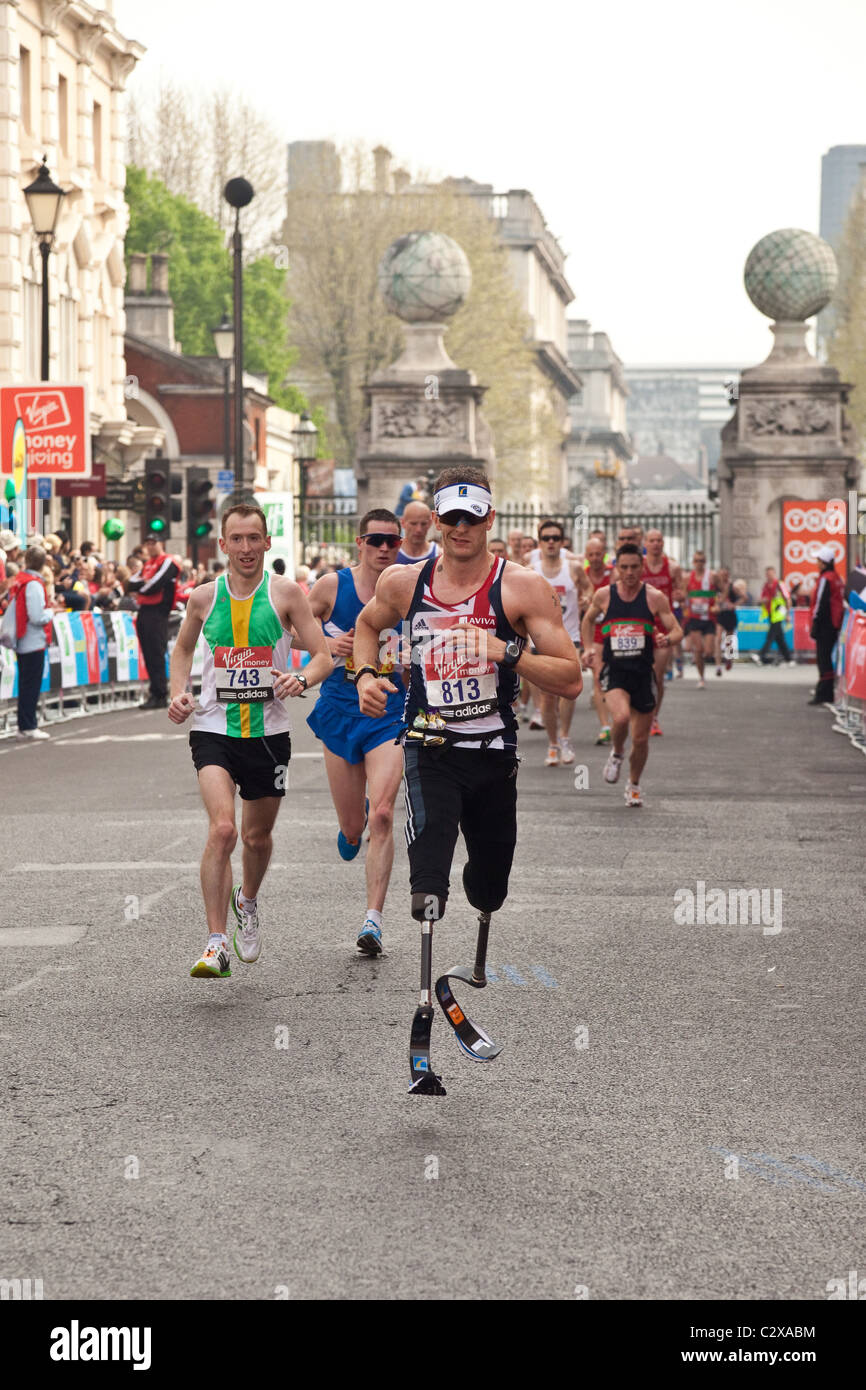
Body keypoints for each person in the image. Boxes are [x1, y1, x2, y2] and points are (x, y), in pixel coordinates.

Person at [353, 465, 582, 1091]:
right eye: (448, 517)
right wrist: (367, 676)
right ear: (436, 519)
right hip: (429, 748)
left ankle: (479, 939)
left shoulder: (522, 589)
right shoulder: (405, 582)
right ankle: (425, 1009)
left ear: (489, 520)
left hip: (493, 757)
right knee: (427, 883)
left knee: (490, 881)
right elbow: (367, 629)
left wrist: (506, 652)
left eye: (470, 517)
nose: (459, 528)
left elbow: (571, 677)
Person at [168, 502, 332, 979]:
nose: (244, 547)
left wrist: (301, 679)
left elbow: (322, 655)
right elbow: (182, 649)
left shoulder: (286, 594)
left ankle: (249, 900)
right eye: (235, 539)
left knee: (256, 837)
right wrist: (179, 693)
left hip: (269, 734)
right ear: (223, 545)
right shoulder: (203, 597)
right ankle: (216, 942)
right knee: (223, 830)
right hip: (214, 729)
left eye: (252, 538)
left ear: (266, 542)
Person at [299, 508, 406, 954]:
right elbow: (287, 629)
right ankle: (349, 828)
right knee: (354, 826)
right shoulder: (332, 586)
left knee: (383, 814)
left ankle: (373, 921)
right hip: (341, 711)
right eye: (376, 540)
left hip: (390, 711)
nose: (385, 548)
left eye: (393, 542)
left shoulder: (408, 586)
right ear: (360, 542)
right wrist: (324, 645)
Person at [581, 542, 682, 807]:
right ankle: (616, 753)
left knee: (640, 739)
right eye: (624, 567)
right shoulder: (604, 595)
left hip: (642, 673)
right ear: (616, 568)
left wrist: (666, 639)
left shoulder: (654, 597)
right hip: (615, 672)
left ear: (642, 567)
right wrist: (589, 648)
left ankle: (634, 785)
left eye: (635, 567)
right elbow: (588, 620)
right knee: (622, 716)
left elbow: (677, 630)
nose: (629, 573)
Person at [529, 518, 589, 766]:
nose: (551, 542)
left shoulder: (573, 568)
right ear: (540, 542)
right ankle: (553, 743)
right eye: (546, 538)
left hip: (570, 637)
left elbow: (590, 590)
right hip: (541, 641)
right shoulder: (531, 570)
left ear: (562, 542)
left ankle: (565, 737)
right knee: (547, 697)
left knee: (569, 691)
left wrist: (587, 600)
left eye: (556, 538)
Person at [128, 532, 182, 709]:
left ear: (161, 544)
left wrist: (142, 587)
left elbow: (155, 584)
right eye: (148, 543)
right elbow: (130, 583)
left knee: (156, 652)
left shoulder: (168, 561)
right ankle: (155, 692)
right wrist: (143, 584)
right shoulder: (147, 564)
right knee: (148, 653)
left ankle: (160, 694)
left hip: (158, 611)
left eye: (154, 543)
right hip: (144, 610)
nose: (151, 546)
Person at [6, 545, 51, 740]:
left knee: (26, 683)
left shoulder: (20, 582)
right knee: (30, 684)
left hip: (23, 638)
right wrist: (50, 613)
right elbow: (36, 616)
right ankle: (28, 725)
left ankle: (25, 724)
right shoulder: (33, 584)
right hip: (32, 639)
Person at [642, 529, 682, 733]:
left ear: (663, 543)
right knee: (639, 674)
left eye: (659, 540)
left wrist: (678, 594)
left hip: (663, 625)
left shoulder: (673, 568)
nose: (656, 544)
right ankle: (640, 712)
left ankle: (654, 717)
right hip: (640, 624)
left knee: (657, 676)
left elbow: (681, 593)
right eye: (652, 541)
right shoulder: (638, 566)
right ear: (645, 543)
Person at [582, 537, 613, 744]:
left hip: (615, 633)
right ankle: (605, 726)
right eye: (590, 554)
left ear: (604, 554)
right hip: (593, 635)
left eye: (598, 554)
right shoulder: (582, 577)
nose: (594, 559)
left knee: (616, 681)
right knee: (598, 678)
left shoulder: (614, 575)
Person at [807, 544, 844, 705]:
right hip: (833, 623)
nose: (816, 563)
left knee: (823, 659)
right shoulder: (836, 578)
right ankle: (826, 691)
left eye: (818, 560)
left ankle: (823, 693)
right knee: (826, 658)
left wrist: (815, 624)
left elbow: (820, 603)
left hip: (825, 624)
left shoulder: (826, 579)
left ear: (824, 562)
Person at [683, 549, 718, 688]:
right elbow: (683, 595)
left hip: (709, 617)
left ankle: (729, 659)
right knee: (698, 649)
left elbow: (723, 590)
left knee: (708, 651)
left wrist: (719, 603)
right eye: (696, 561)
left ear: (705, 562)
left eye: (702, 561)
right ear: (693, 562)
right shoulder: (687, 577)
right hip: (694, 618)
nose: (699, 563)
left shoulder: (712, 576)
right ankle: (701, 677)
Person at [751, 566, 795, 668]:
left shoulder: (780, 584)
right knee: (779, 638)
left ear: (774, 574)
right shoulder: (766, 586)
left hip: (779, 614)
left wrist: (788, 614)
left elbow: (788, 599)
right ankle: (789, 659)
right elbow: (761, 599)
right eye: (767, 574)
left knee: (770, 636)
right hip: (771, 614)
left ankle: (761, 655)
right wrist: (762, 601)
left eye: (771, 574)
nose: (769, 576)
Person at [395, 500, 440, 566]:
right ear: (403, 523)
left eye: (423, 524)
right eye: (413, 524)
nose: (419, 529)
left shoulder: (439, 554)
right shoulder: (392, 552)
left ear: (430, 523)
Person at [712, 566, 739, 673]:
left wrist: (734, 604)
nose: (723, 577)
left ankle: (729, 658)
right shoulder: (715, 588)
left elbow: (744, 597)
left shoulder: (732, 587)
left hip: (730, 615)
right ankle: (718, 666)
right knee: (718, 639)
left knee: (729, 639)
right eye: (721, 575)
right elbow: (717, 600)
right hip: (720, 615)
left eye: (725, 575)